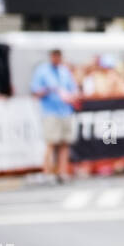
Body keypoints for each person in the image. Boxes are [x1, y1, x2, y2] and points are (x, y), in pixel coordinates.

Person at [30, 49, 78, 183]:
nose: (56, 58)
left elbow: (73, 89)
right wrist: (50, 89)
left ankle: (62, 172)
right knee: (51, 142)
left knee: (64, 142)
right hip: (50, 112)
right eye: (54, 56)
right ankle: (48, 172)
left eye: (58, 56)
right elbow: (35, 91)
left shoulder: (64, 71)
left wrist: (71, 96)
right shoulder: (42, 71)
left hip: (65, 111)